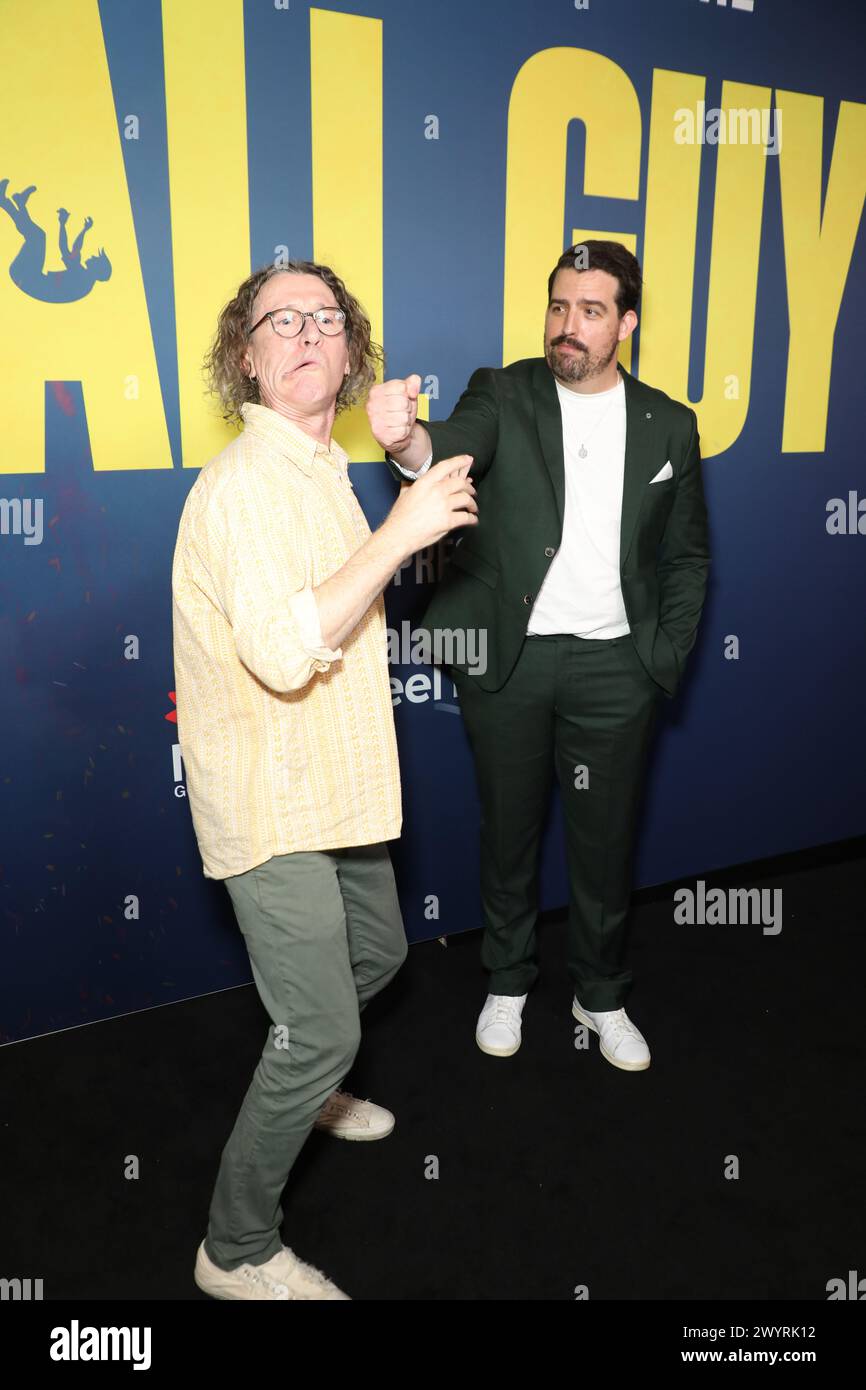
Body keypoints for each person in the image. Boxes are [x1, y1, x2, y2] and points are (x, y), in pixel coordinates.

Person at [172, 259, 476, 1300]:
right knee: (323, 1026)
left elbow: (408, 556)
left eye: (326, 318)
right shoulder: (245, 487)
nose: (305, 330)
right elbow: (282, 650)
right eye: (278, 320)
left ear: (347, 353)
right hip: (268, 796)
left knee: (380, 954)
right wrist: (400, 526)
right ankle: (236, 1246)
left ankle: (307, 1073)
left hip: (335, 785)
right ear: (245, 359)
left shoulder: (320, 468)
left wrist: (400, 462)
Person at [367, 240, 710, 1072]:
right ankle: (508, 980)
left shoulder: (670, 423)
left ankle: (601, 995)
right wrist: (406, 439)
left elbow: (686, 557)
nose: (569, 326)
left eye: (591, 311)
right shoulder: (505, 390)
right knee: (509, 834)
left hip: (614, 669)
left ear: (626, 322)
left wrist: (657, 657)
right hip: (510, 664)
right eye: (559, 306)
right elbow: (445, 449)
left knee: (604, 845)